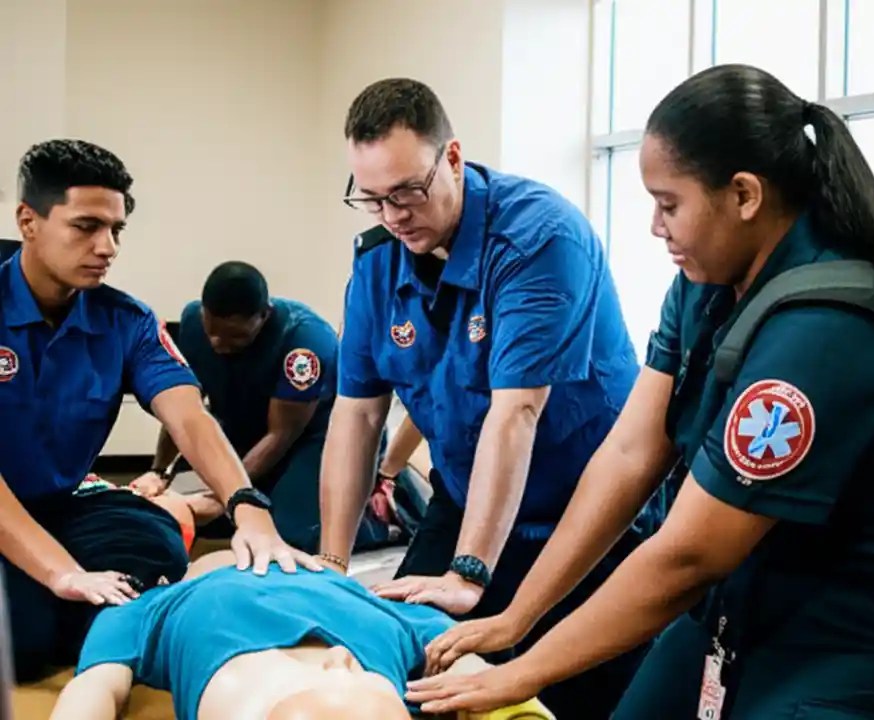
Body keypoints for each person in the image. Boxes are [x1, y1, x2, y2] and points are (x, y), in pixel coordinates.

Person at [411, 64, 874, 719]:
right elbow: (631, 454)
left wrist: (521, 671)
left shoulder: (829, 330)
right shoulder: (704, 283)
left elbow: (690, 553)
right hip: (754, 601)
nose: (655, 226)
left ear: (745, 195)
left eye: (670, 204)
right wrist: (518, 617)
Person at [319, 78, 645, 717]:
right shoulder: (377, 263)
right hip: (470, 493)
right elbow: (357, 414)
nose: (394, 215)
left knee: (556, 693)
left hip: (585, 511)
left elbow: (516, 411)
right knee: (415, 665)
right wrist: (333, 563)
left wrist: (468, 573)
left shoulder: (538, 239)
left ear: (455, 158)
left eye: (409, 191)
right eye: (373, 198)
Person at [0, 139, 315, 682]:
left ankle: (63, 606)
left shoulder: (127, 321)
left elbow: (189, 417)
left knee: (155, 540)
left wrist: (247, 507)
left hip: (56, 504)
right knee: (23, 645)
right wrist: (63, 574)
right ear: (29, 220)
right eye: (86, 227)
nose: (108, 247)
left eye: (116, 230)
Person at [49, 550, 555, 720]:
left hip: (281, 688)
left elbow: (93, 688)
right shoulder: (368, 601)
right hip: (341, 681)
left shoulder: (154, 605)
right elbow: (463, 662)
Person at [129, 261, 396, 552]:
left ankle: (381, 516)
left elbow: (280, 436)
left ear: (264, 315)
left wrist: (231, 494)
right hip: (248, 425)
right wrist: (160, 472)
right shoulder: (192, 323)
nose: (220, 344)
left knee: (288, 534)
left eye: (235, 337)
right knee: (225, 513)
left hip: (313, 437)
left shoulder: (303, 345)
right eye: (213, 332)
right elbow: (183, 412)